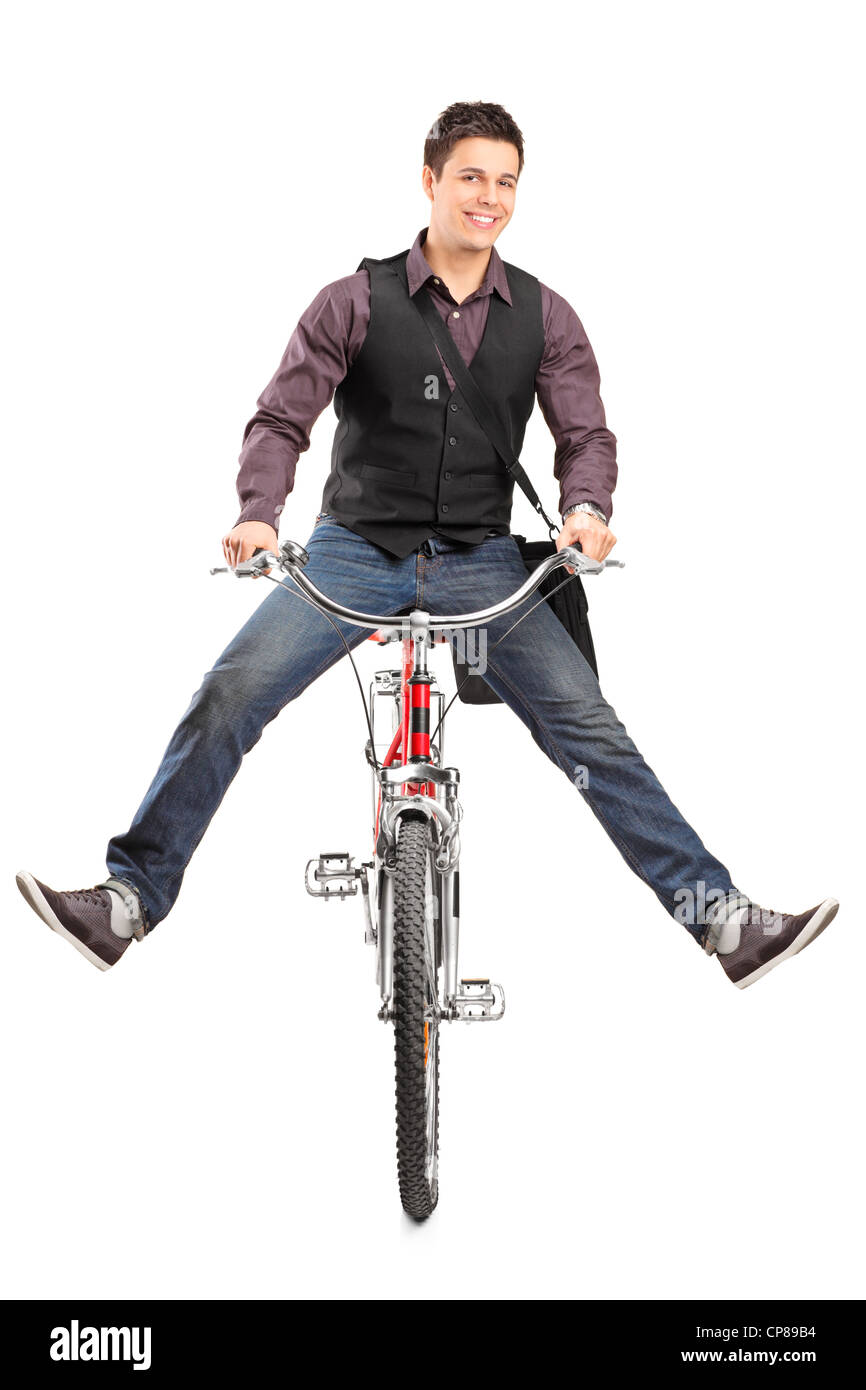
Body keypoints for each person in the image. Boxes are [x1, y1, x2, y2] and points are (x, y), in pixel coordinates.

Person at [16, 100, 838, 989]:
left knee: (591, 736)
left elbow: (584, 436)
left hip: (479, 564)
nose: (490, 197)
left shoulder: (546, 314)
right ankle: (128, 901)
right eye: (471, 177)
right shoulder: (352, 300)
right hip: (352, 553)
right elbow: (281, 417)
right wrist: (259, 512)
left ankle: (721, 922)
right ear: (431, 181)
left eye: (506, 182)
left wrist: (587, 509)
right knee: (230, 693)